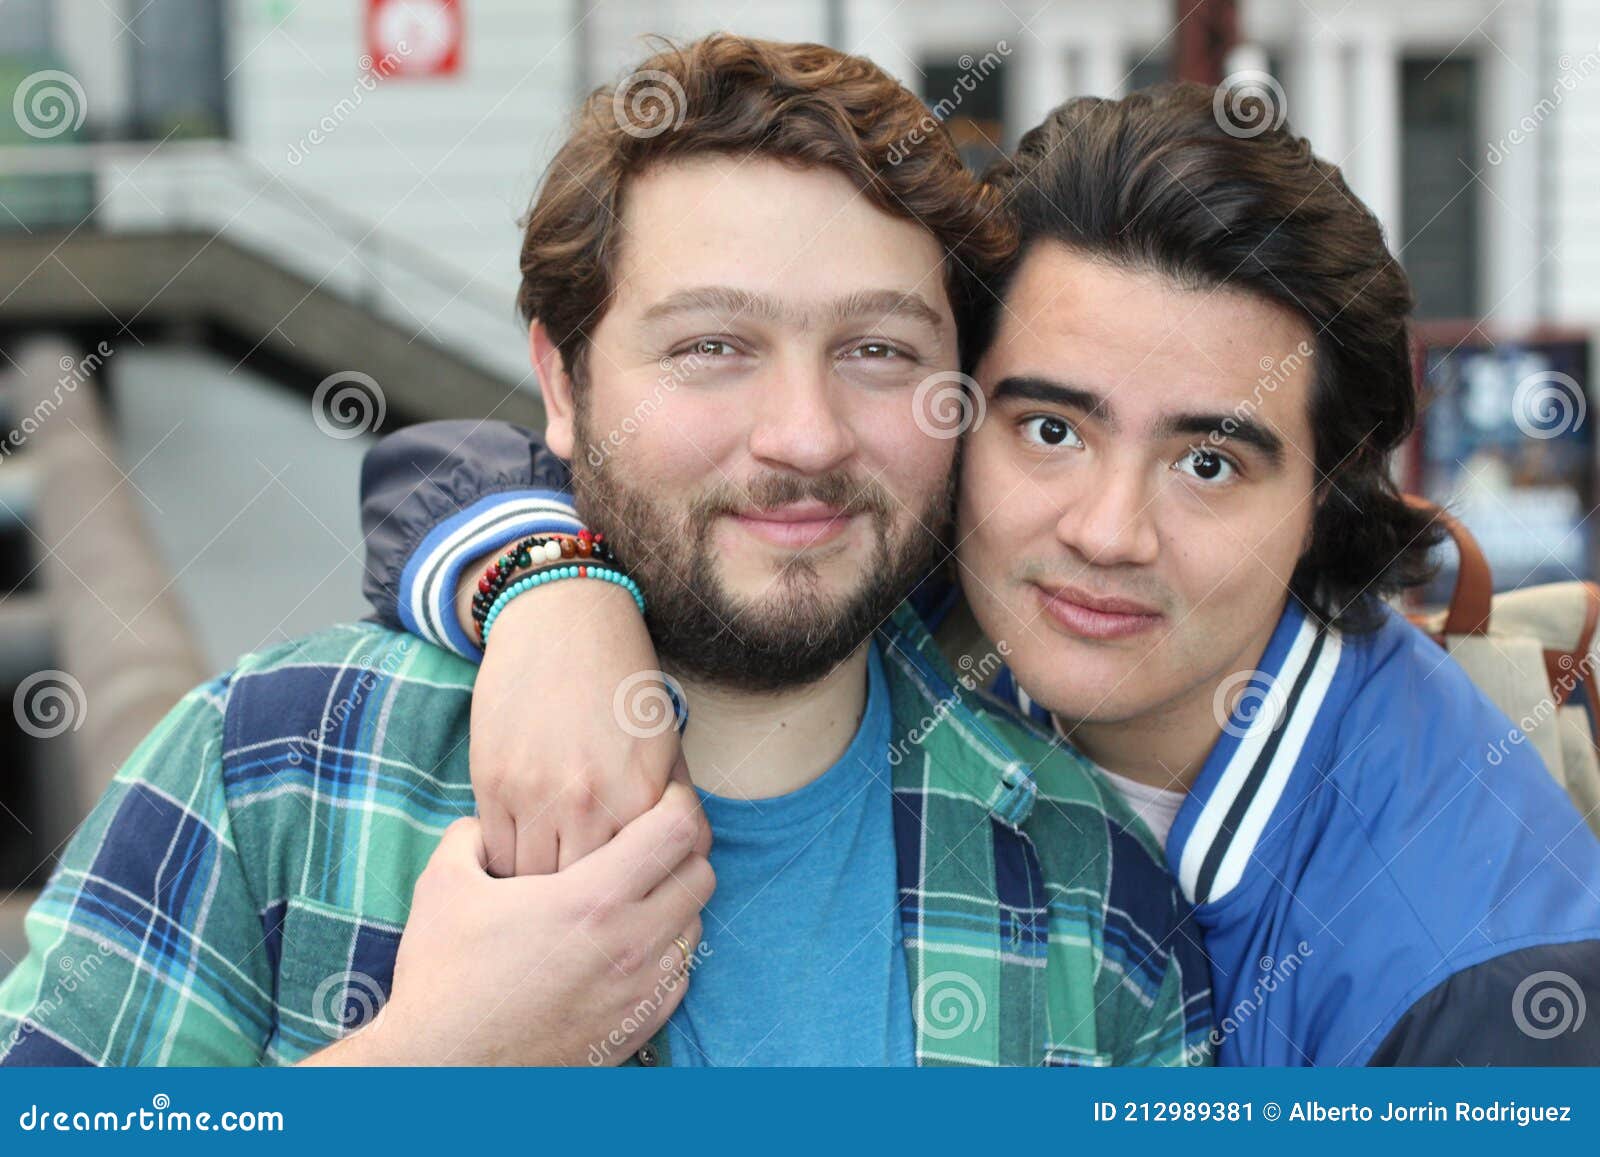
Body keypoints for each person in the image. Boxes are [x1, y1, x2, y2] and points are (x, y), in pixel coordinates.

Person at [0, 35, 1209, 1068]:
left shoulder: (1090, 890)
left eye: (879, 351)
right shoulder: (267, 770)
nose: (803, 435)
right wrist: (429, 1065)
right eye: (709, 347)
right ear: (560, 386)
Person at [358, 82, 1600, 1065]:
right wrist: (549, 589)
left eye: (1209, 462)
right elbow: (518, 460)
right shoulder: (905, 554)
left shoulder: (1485, 979)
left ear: (1326, 490)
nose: (1106, 530)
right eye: (1050, 429)